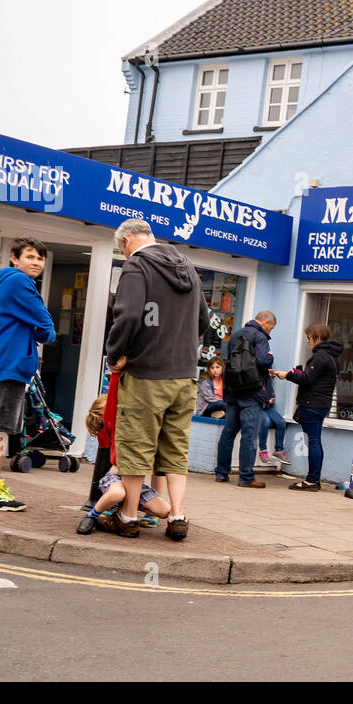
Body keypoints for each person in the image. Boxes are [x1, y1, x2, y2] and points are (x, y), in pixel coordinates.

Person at [104, 218, 211, 541]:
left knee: (136, 447)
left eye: (121, 250)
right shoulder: (187, 266)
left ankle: (128, 516)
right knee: (175, 448)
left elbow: (129, 315)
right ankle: (177, 516)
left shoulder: (137, 266)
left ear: (126, 243)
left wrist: (116, 354)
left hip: (146, 373)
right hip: (184, 376)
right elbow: (203, 319)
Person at [0, 239, 56, 512]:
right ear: (14, 258)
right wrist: (41, 330)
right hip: (10, 363)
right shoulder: (20, 283)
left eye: (40, 258)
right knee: (0, 429)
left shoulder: (7, 282)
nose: (36, 262)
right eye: (30, 256)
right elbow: (46, 327)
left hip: (3, 361)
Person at [273, 322, 342, 491]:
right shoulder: (332, 356)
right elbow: (315, 377)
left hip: (313, 404)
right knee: (315, 441)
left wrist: (287, 375)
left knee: (313, 442)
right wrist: (298, 373)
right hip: (322, 403)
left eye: (309, 337)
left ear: (317, 337)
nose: (307, 341)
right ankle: (314, 479)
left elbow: (308, 379)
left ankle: (311, 481)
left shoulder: (320, 356)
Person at [216, 310, 276, 488]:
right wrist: (270, 358)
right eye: (270, 328)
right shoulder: (260, 337)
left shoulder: (236, 334)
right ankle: (246, 476)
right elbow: (263, 362)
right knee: (249, 434)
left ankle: (221, 472)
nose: (269, 332)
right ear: (265, 322)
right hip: (251, 391)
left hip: (233, 390)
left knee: (229, 432)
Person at [258, 399, 289, 466]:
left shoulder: (268, 387)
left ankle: (279, 451)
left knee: (281, 422)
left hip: (267, 407)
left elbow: (271, 397)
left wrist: (267, 402)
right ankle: (263, 451)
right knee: (266, 422)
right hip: (256, 407)